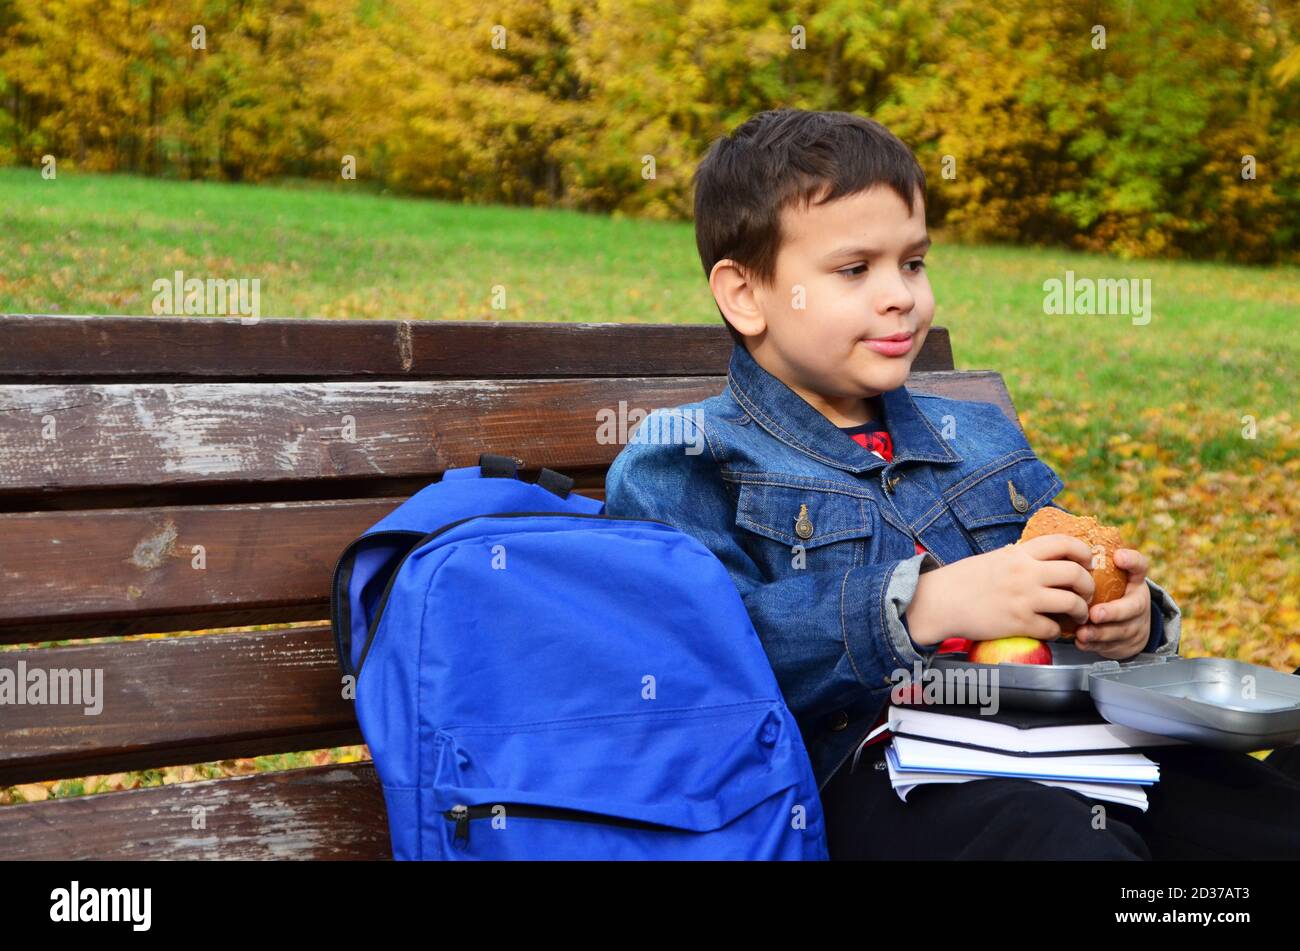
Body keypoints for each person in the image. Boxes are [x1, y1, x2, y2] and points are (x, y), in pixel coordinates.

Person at [604, 108, 1300, 859]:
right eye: (854, 269)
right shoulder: (690, 459)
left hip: (1067, 746)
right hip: (869, 783)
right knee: (1058, 844)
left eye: (913, 262)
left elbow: (1068, 594)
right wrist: (922, 605)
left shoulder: (978, 436)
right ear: (746, 295)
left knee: (1255, 816)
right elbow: (699, 670)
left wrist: (1128, 624)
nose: (901, 294)